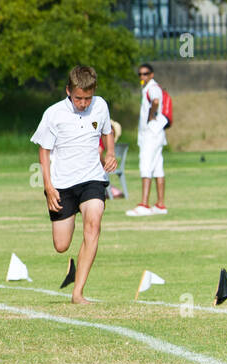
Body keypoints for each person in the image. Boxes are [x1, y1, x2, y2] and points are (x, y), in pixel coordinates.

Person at [32, 65, 117, 304]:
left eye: (87, 98)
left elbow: (107, 131)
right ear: (68, 90)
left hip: (92, 179)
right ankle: (73, 270)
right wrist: (48, 187)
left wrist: (110, 152)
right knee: (61, 245)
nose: (83, 103)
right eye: (78, 98)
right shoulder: (53, 113)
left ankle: (78, 292)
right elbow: (44, 152)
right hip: (61, 184)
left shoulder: (100, 106)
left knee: (93, 225)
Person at [127, 63, 168, 216]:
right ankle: (160, 205)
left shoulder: (152, 88)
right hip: (156, 133)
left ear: (151, 74)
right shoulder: (149, 88)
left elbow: (156, 102)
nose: (142, 76)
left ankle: (144, 204)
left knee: (146, 165)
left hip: (151, 134)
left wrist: (151, 116)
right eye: (140, 74)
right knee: (157, 167)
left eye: (145, 74)